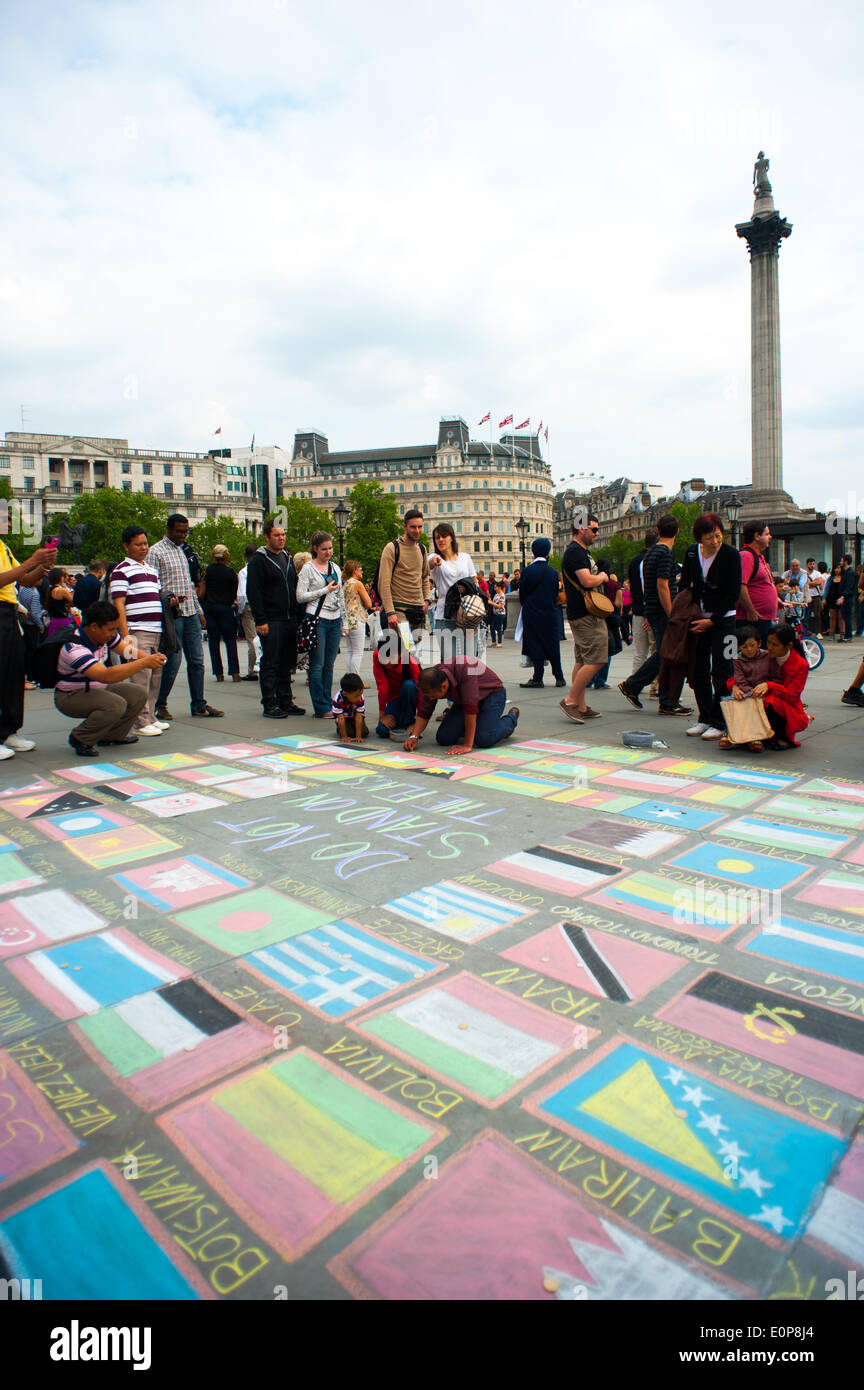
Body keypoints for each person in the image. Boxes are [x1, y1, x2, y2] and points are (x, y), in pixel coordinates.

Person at [54, 600, 167, 757]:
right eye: (110, 629)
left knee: (138, 693)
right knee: (115, 704)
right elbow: (106, 676)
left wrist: (152, 658)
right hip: (70, 696)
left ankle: (112, 736)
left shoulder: (104, 637)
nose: (113, 634)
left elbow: (128, 652)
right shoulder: (75, 648)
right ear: (94, 627)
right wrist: (144, 663)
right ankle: (80, 738)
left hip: (94, 689)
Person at [149, 515, 223, 720]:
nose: (182, 535)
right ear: (168, 529)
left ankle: (198, 704)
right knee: (173, 661)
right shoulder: (156, 552)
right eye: (179, 531)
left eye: (185, 532)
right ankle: (159, 703)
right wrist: (166, 600)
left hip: (190, 612)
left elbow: (189, 585)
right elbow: (153, 584)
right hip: (172, 615)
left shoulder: (184, 551)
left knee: (197, 661)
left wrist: (199, 610)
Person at [679, 513, 742, 741]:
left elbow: (733, 593)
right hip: (698, 620)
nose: (714, 542)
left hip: (725, 620)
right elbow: (685, 585)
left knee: (723, 670)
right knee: (698, 670)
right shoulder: (690, 553)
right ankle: (704, 716)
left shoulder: (731, 555)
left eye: (718, 536)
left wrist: (713, 620)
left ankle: (720, 721)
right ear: (699, 538)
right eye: (709, 538)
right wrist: (690, 617)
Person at [619, 515, 690, 715]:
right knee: (667, 654)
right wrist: (671, 612)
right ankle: (635, 686)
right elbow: (662, 585)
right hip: (662, 610)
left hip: (651, 608)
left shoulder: (650, 553)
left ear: (658, 531)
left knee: (666, 655)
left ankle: (665, 700)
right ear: (677, 532)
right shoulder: (666, 553)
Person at [0, 533, 57, 761]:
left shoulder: (3, 547)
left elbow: (22, 579)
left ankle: (9, 730)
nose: (9, 522)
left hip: (10, 613)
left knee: (14, 673)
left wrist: (43, 567)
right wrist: (32, 561)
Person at [109, 525, 168, 737]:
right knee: (139, 676)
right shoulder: (121, 570)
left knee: (155, 674)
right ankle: (140, 720)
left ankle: (150, 715)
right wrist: (125, 634)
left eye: (145, 543)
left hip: (155, 629)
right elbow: (119, 603)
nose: (143, 547)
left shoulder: (152, 571)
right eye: (138, 544)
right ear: (127, 546)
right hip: (136, 629)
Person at [246, 518, 304, 719]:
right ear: (267, 537)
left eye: (283, 535)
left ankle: (285, 700)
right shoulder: (258, 560)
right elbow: (254, 592)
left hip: (289, 618)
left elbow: (294, 587)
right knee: (270, 662)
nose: (281, 538)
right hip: (271, 619)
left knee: (287, 662)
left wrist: (298, 615)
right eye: (277, 535)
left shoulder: (286, 557)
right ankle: (269, 703)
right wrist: (260, 620)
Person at [404, 660, 519, 754]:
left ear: (443, 686)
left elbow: (470, 711)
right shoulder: (430, 680)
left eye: (433, 696)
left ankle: (511, 718)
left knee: (484, 739)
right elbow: (424, 712)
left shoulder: (467, 670)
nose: (430, 699)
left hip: (492, 695)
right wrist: (414, 736)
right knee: (444, 738)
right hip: (464, 701)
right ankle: (479, 725)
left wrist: (467, 745)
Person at [560, 513, 609, 724]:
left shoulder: (578, 551)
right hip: (586, 614)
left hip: (580, 613)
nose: (597, 534)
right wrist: (603, 576)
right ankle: (570, 701)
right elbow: (587, 580)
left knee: (582, 660)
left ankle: (580, 706)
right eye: (595, 530)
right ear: (582, 529)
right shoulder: (576, 552)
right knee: (597, 659)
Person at [296, 531, 348, 718]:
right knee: (317, 665)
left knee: (329, 664)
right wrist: (324, 589)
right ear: (315, 549)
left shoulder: (335, 567)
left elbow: (341, 595)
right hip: (317, 618)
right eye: (324, 549)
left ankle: (328, 702)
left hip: (334, 620)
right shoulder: (308, 569)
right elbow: (300, 596)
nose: (328, 552)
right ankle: (321, 706)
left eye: (330, 548)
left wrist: (345, 622)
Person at [751, 624, 810, 749]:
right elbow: (741, 674)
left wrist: (770, 685)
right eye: (768, 643)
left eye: (775, 645)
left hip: (787, 707)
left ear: (788, 646)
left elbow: (792, 696)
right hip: (760, 699)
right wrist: (735, 686)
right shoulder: (763, 656)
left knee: (771, 702)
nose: (770, 648)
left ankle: (782, 737)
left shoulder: (801, 665)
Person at [376, 510, 430, 648]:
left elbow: (424, 577)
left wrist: (427, 600)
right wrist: (390, 612)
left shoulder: (422, 549)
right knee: (408, 652)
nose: (417, 530)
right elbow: (384, 583)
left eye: (420, 527)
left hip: (418, 611)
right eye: (413, 527)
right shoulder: (392, 548)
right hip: (399, 610)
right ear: (404, 526)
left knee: (412, 654)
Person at [518, 538, 566, 688]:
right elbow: (554, 594)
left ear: (533, 552)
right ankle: (559, 677)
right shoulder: (552, 572)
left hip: (532, 614)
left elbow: (522, 595)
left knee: (535, 644)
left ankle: (538, 678)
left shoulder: (527, 571)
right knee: (552, 645)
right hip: (550, 614)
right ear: (547, 552)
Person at [428, 523, 479, 661]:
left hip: (468, 613)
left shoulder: (465, 557)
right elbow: (430, 562)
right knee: (449, 660)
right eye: (437, 537)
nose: (440, 540)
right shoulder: (435, 557)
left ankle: (467, 683)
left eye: (444, 536)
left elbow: (475, 582)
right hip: (445, 615)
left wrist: (467, 588)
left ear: (451, 538)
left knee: (470, 659)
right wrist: (435, 560)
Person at [718, 626, 773, 752]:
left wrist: (765, 687)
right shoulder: (737, 660)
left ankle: (755, 736)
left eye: (752, 645)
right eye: (744, 647)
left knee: (754, 703)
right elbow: (739, 679)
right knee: (734, 701)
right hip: (748, 691)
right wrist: (749, 691)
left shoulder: (767, 656)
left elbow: (774, 676)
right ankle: (729, 731)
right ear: (738, 647)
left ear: (759, 643)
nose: (749, 649)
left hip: (766, 690)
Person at [201, 544, 240, 682]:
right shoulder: (230, 572)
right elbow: (234, 591)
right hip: (225, 608)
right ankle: (235, 672)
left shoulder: (207, 571)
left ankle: (218, 673)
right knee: (230, 641)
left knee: (213, 641)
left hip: (210, 608)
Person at [373, 632, 420, 738]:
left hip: (409, 697)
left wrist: (419, 724)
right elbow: (382, 685)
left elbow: (422, 691)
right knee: (382, 731)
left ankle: (410, 722)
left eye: (389, 658)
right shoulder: (377, 656)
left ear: (400, 654)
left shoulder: (410, 662)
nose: (385, 661)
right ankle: (403, 723)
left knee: (409, 685)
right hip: (393, 698)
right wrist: (382, 716)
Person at [737, 521, 778, 639]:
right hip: (752, 621)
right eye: (767, 534)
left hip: (762, 619)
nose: (770, 537)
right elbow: (741, 585)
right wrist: (750, 610)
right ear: (757, 536)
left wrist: (776, 600)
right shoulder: (746, 556)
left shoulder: (759, 557)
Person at [627, 529, 659, 675]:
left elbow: (633, 586)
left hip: (638, 609)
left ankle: (633, 684)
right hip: (651, 610)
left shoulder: (634, 561)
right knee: (656, 651)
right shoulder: (654, 559)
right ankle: (656, 685)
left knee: (640, 653)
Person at [588, 558, 623, 690]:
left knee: (593, 651)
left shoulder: (594, 583)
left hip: (595, 618)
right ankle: (600, 680)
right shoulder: (614, 585)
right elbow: (619, 604)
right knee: (607, 651)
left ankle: (588, 679)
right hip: (609, 619)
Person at [342, 559, 375, 678]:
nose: (362, 572)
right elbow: (368, 604)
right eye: (361, 569)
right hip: (357, 619)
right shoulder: (357, 583)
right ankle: (355, 679)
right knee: (357, 652)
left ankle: (349, 678)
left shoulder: (346, 584)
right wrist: (366, 593)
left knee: (350, 651)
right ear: (355, 570)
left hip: (348, 620)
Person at [235, 544, 260, 680]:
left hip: (249, 607)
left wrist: (241, 610)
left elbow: (242, 594)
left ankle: (253, 669)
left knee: (252, 639)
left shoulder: (244, 572)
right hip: (263, 607)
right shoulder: (263, 570)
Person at [333, 672, 368, 743]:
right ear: (345, 693)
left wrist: (358, 736)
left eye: (360, 694)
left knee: (364, 732)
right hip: (344, 719)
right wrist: (344, 737)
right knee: (349, 733)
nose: (359, 698)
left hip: (355, 717)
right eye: (356, 696)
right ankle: (339, 729)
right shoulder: (338, 700)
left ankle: (353, 730)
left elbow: (359, 717)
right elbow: (341, 719)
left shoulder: (360, 697)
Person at [43, 566, 76, 637]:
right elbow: (74, 602)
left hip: (53, 621)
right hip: (63, 621)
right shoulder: (62, 590)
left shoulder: (50, 589)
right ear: (61, 578)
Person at [824, 562, 845, 640]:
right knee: (832, 617)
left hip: (840, 598)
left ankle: (842, 633)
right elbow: (826, 589)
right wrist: (824, 598)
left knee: (841, 617)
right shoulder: (831, 578)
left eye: (839, 568)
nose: (837, 570)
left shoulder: (843, 578)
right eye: (836, 568)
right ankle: (832, 633)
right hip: (831, 598)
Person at [804, 558, 824, 634]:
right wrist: (814, 582)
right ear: (807, 564)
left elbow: (819, 582)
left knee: (817, 615)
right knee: (806, 615)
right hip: (808, 596)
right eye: (810, 564)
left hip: (816, 596)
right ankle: (806, 631)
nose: (812, 566)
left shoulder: (817, 573)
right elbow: (805, 583)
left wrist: (811, 583)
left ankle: (818, 632)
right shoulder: (804, 573)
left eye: (813, 564)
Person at [490, 581, 507, 647]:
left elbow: (500, 606)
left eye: (496, 587)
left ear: (499, 587)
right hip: (495, 613)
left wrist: (490, 603)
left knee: (499, 627)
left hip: (500, 614)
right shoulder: (496, 595)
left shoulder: (502, 596)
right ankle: (493, 641)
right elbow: (493, 602)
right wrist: (489, 598)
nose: (495, 589)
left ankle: (499, 642)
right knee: (492, 627)